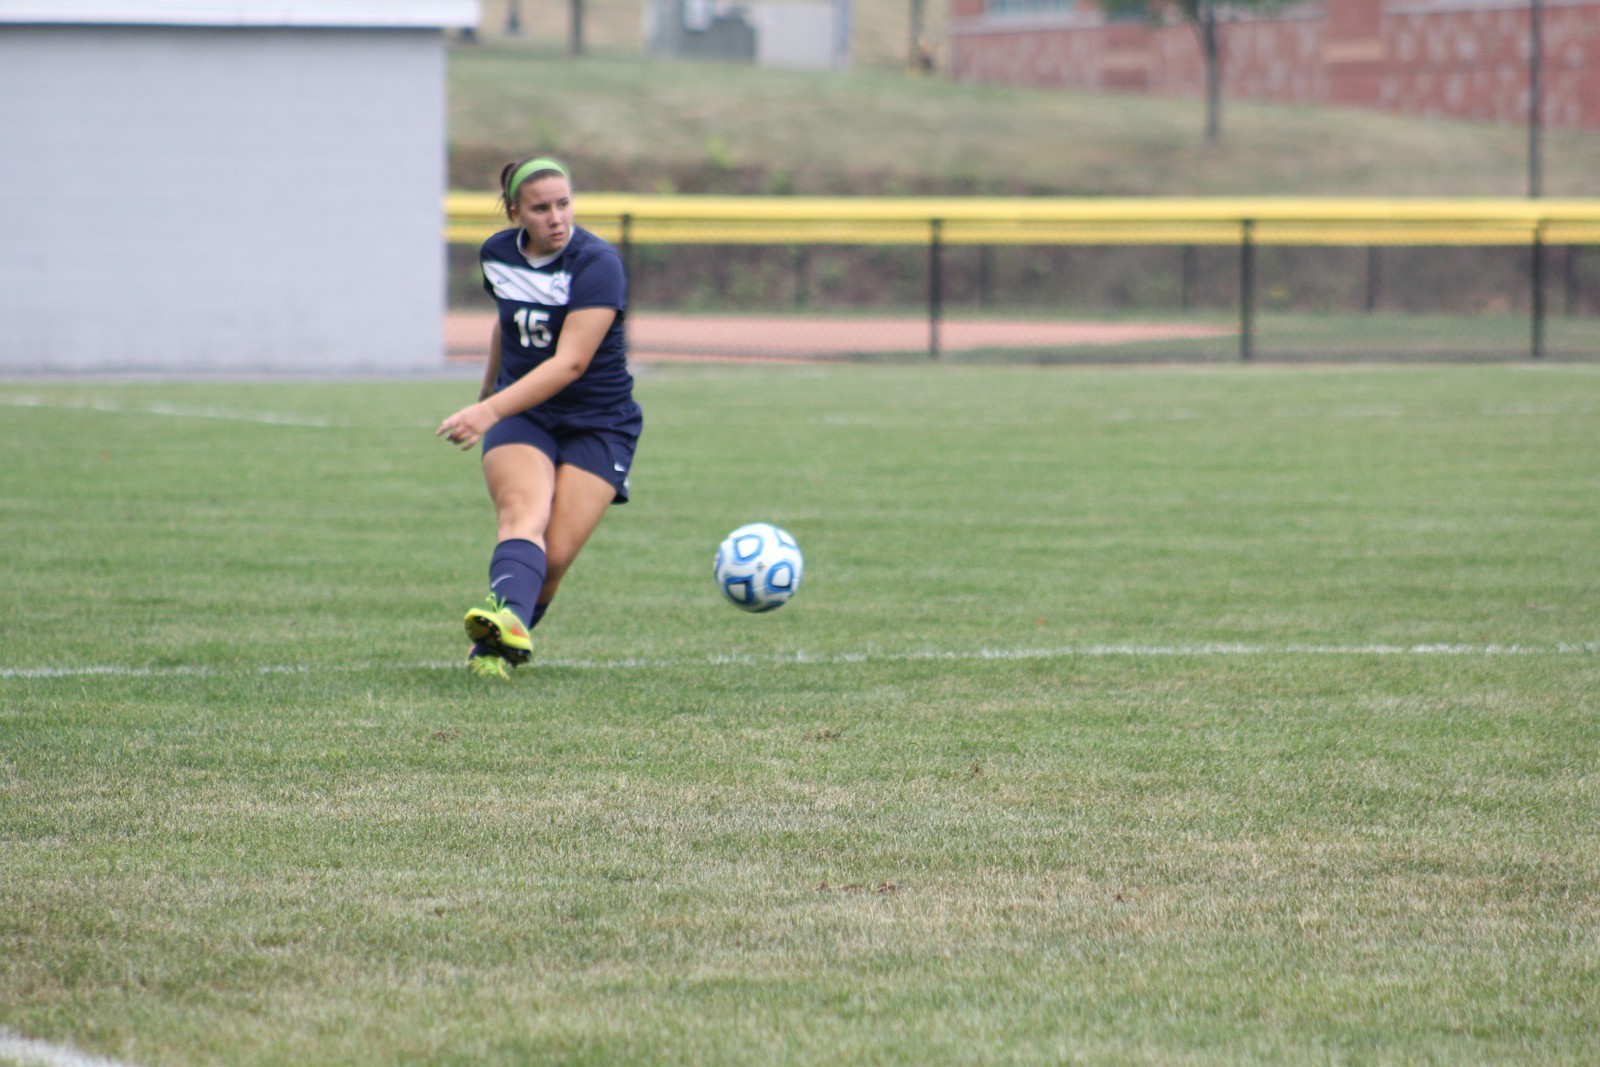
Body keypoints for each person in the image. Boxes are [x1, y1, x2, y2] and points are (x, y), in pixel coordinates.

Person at [437, 156, 641, 680]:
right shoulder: (497, 255)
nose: (557, 218)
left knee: (551, 561)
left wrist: (487, 408)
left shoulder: (597, 262)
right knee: (522, 516)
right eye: (541, 208)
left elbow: (570, 363)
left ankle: (503, 634)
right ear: (514, 213)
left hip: (599, 421)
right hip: (523, 413)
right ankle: (490, 652)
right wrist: (489, 391)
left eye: (564, 203)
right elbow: (507, 324)